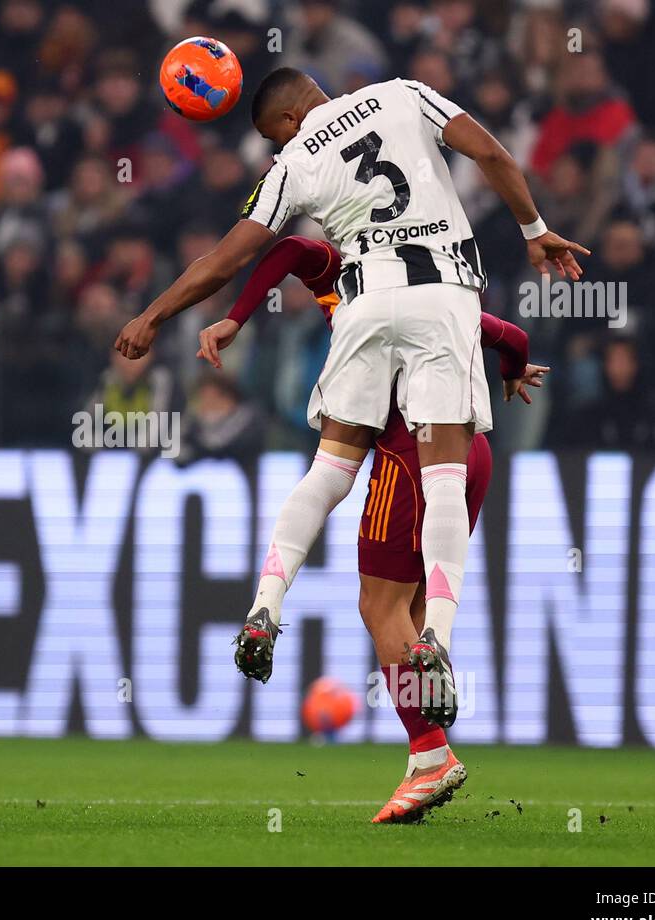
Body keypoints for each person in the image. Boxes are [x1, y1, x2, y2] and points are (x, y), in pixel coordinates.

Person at [115, 67, 586, 735]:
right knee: (446, 476)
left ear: (282, 124)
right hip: (442, 293)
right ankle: (438, 641)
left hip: (364, 304)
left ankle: (265, 607)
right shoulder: (403, 93)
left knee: (329, 472)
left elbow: (226, 260)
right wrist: (535, 227)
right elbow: (490, 153)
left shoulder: (293, 162)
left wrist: (153, 317)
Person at [198, 235, 545, 821]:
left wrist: (235, 317)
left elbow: (286, 251)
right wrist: (511, 374)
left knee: (378, 608)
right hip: (471, 449)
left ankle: (430, 754)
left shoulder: (354, 284)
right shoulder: (439, 295)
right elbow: (514, 337)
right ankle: (431, 687)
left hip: (408, 453)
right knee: (406, 616)